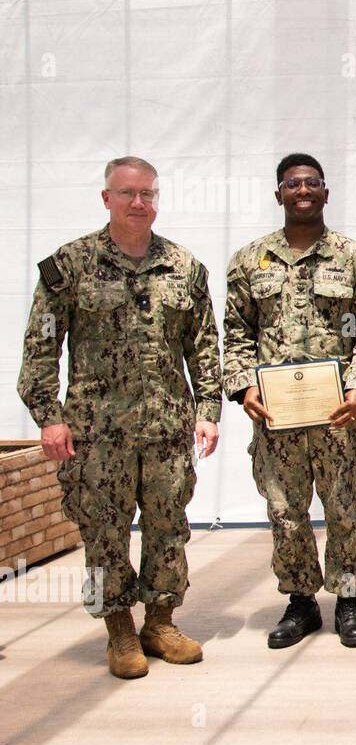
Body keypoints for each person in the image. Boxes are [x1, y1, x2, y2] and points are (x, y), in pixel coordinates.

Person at [17, 156, 221, 679]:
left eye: (148, 194)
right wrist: (49, 416)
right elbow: (41, 345)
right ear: (106, 198)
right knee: (103, 534)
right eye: (127, 193)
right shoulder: (71, 265)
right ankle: (119, 631)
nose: (138, 203)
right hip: (95, 435)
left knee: (168, 529)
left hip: (165, 431)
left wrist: (208, 410)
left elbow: (202, 346)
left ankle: (159, 621)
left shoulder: (183, 266)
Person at [224, 153, 356, 650]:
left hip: (340, 416)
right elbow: (235, 336)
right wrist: (242, 388)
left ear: (326, 193)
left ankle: (351, 600)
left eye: (312, 182)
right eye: (292, 184)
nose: (302, 190)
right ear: (279, 194)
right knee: (284, 511)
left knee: (345, 508)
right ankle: (300, 601)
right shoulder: (251, 261)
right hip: (277, 419)